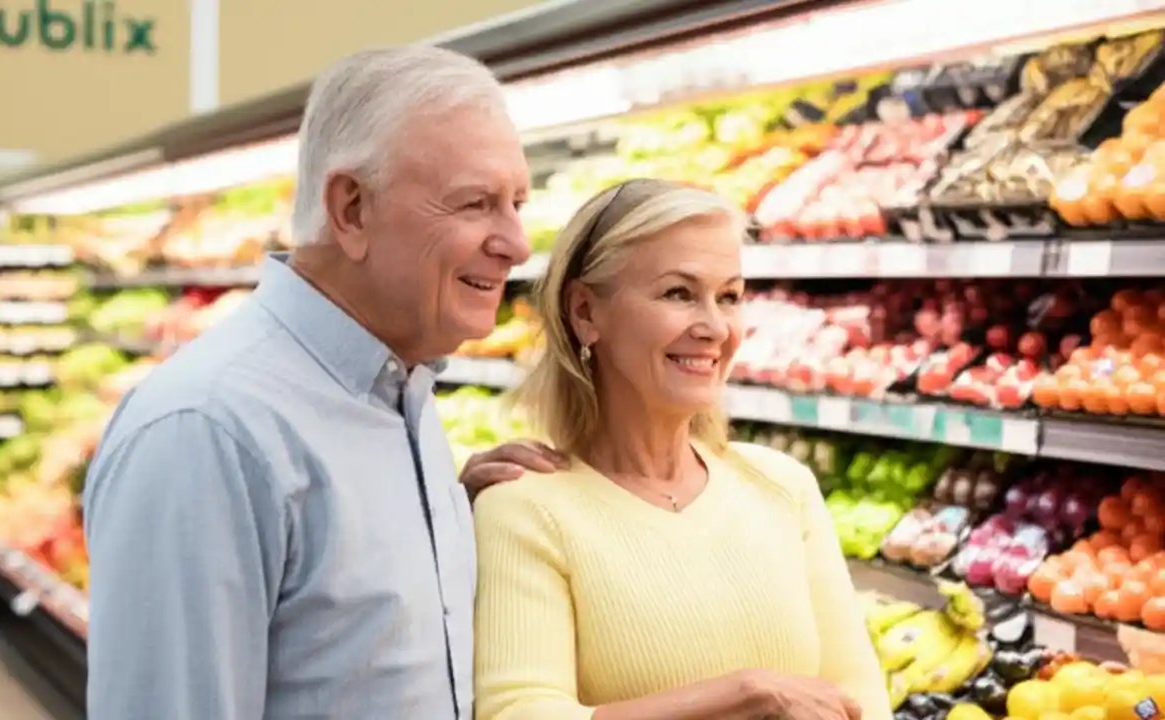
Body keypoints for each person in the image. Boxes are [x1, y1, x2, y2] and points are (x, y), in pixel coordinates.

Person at [81, 45, 560, 719]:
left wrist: (450, 523)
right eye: (476, 203)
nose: (516, 242)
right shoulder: (208, 432)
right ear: (352, 209)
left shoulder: (401, 392)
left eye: (517, 203)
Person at [471, 178, 893, 720]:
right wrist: (743, 695)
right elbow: (517, 714)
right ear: (584, 312)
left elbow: (861, 702)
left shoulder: (783, 486)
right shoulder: (525, 508)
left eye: (730, 297)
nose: (715, 327)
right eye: (678, 293)